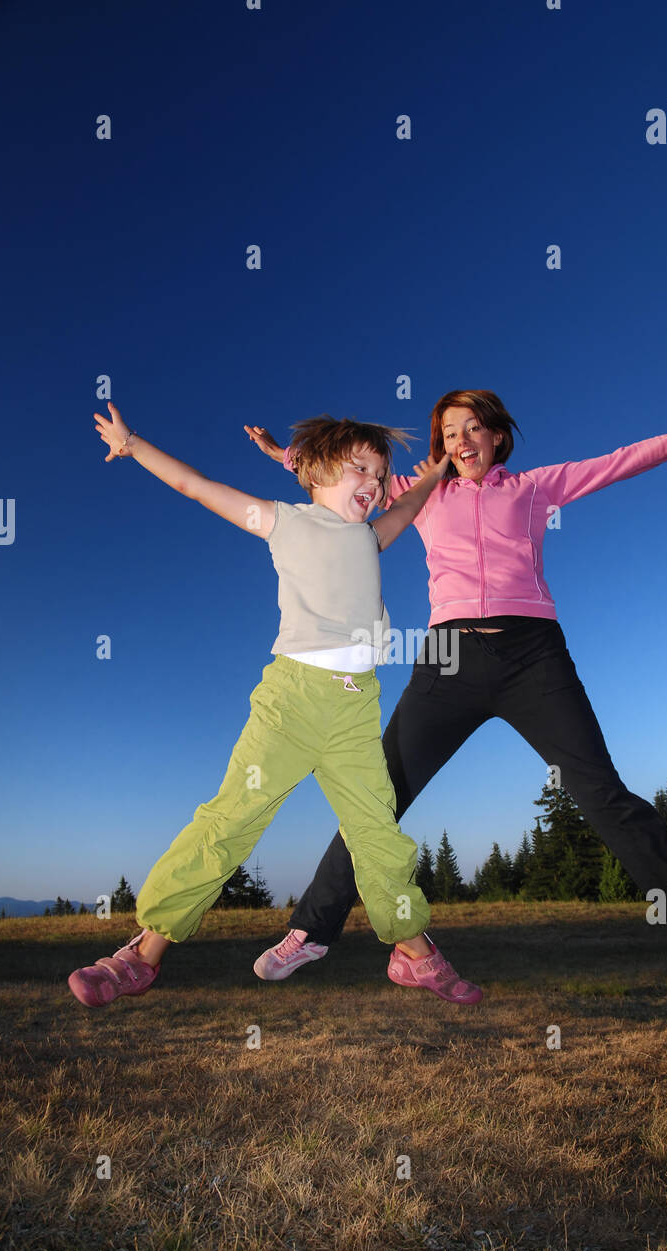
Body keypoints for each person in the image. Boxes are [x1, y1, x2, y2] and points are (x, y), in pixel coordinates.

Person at [247, 392, 667, 1003]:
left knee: (605, 796)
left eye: (474, 429)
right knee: (377, 796)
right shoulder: (421, 494)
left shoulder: (535, 487)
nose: (461, 440)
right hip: (449, 658)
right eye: (448, 432)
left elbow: (623, 460)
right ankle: (311, 930)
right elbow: (348, 490)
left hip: (533, 657)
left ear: (496, 437)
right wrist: (289, 458)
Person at [67, 403, 482, 1009]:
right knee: (230, 821)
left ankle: (415, 955)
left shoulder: (372, 535)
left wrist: (437, 468)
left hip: (354, 711)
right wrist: (133, 444)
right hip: (289, 704)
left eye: (378, 473)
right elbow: (197, 486)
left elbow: (413, 501)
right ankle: (141, 954)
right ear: (313, 474)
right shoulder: (284, 521)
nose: (372, 483)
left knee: (377, 836)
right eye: (358, 470)